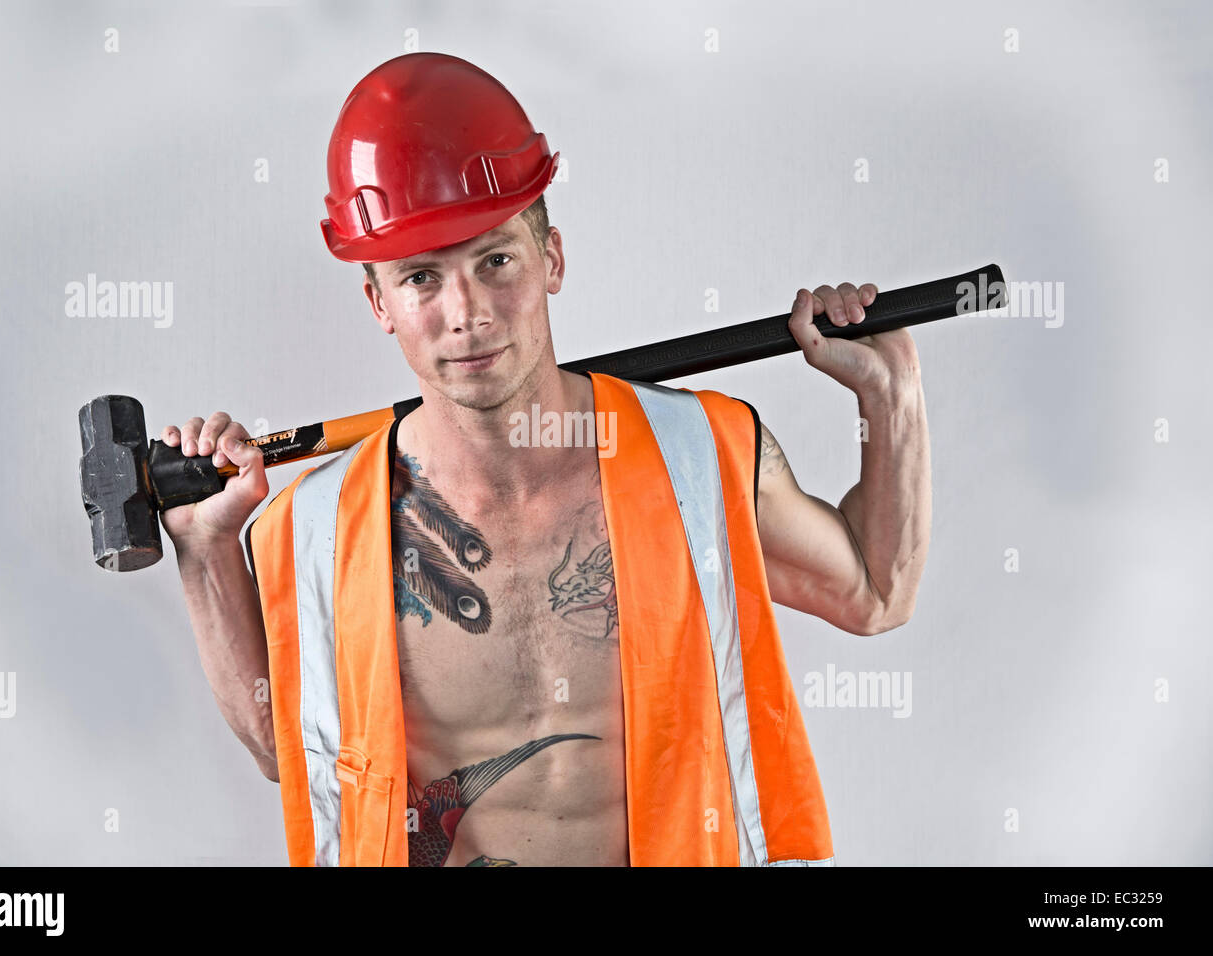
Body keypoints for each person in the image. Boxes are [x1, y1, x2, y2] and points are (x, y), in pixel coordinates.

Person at [162, 53, 932, 867]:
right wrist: (206, 549)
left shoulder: (698, 457)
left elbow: (876, 593)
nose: (467, 315)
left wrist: (893, 399)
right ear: (378, 302)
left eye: (495, 260)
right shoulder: (319, 529)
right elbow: (291, 758)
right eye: (422, 277)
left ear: (551, 258)